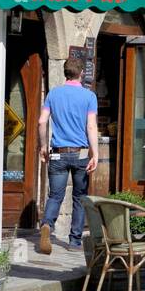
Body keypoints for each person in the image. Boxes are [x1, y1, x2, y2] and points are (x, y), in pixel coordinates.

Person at [36, 57, 98, 253]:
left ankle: (47, 224)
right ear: (81, 74)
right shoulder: (89, 97)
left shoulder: (53, 94)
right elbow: (90, 126)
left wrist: (44, 146)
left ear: (65, 73)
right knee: (79, 197)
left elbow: (41, 122)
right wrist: (94, 153)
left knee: (55, 195)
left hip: (57, 154)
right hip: (79, 154)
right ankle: (74, 241)